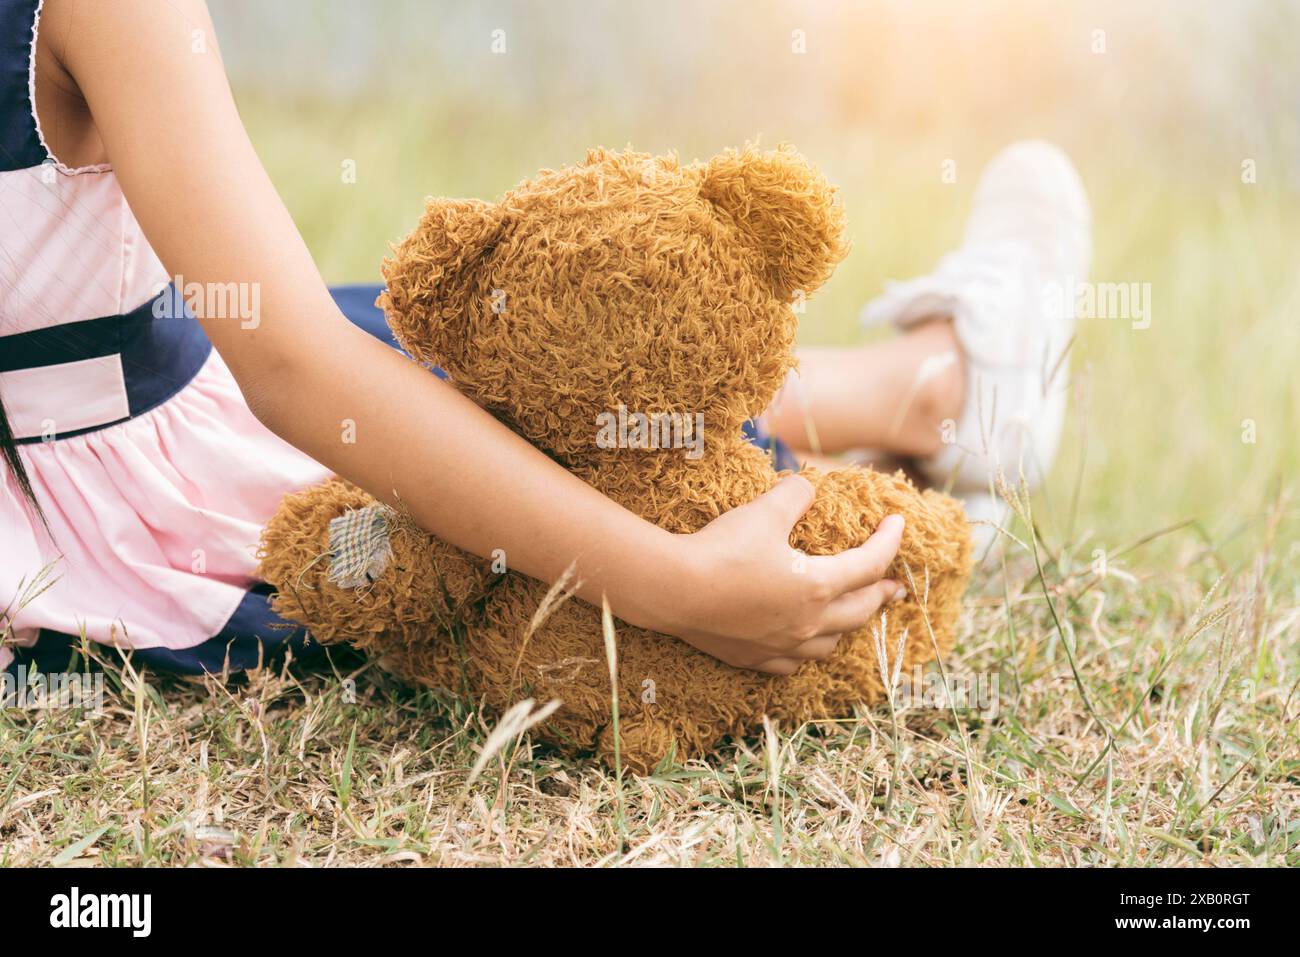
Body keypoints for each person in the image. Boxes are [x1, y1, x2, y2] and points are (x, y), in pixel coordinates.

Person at [0, 0, 1087, 682]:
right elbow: (293, 372)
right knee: (563, 431)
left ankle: (935, 395)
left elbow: (284, 355)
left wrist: (680, 583)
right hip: (144, 497)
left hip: (198, 382)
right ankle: (937, 404)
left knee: (547, 357)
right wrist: (681, 591)